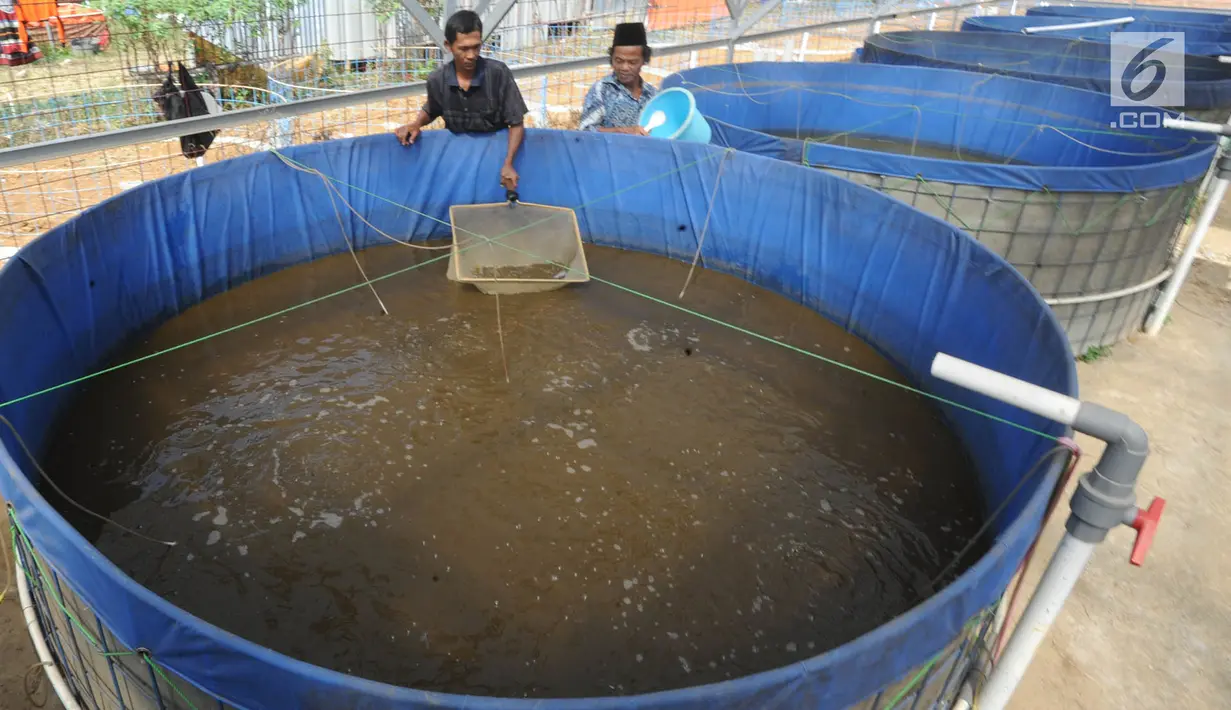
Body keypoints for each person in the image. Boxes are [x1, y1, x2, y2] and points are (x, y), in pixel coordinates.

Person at [394, 10, 528, 190]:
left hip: (495, 161)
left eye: (476, 47)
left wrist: (509, 162)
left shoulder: (498, 74)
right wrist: (416, 124)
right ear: (448, 46)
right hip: (458, 166)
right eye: (463, 48)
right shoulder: (437, 80)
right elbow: (432, 109)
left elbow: (516, 123)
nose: (471, 55)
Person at [579, 22, 657, 135]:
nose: (624, 68)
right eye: (619, 61)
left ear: (643, 61)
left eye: (632, 62)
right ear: (612, 60)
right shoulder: (602, 90)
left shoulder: (652, 95)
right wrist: (624, 131)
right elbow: (585, 131)